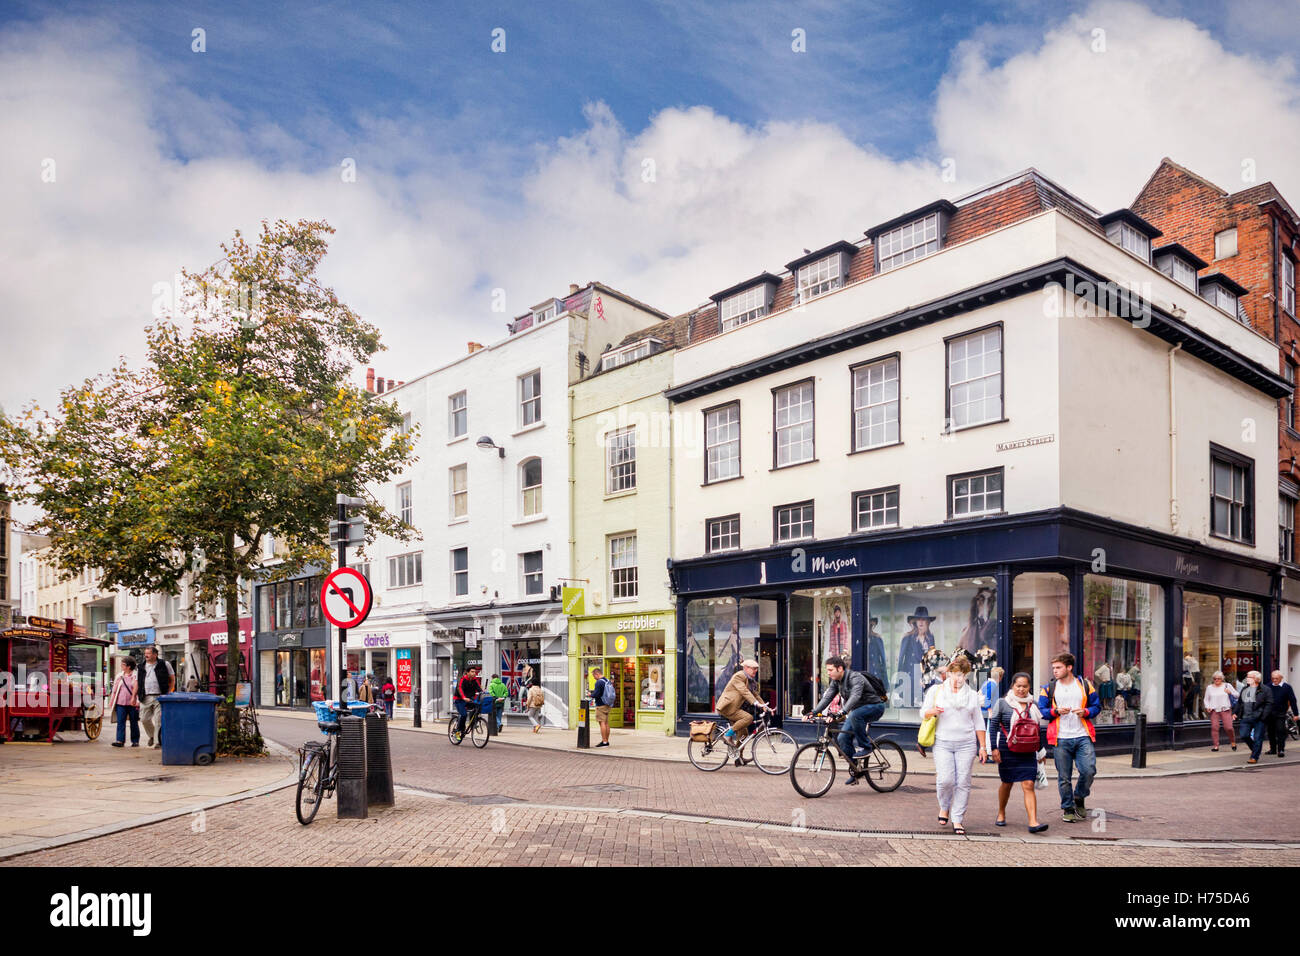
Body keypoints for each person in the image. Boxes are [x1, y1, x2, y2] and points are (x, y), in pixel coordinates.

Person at [920, 655, 987, 834]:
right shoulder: (936, 691)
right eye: (955, 674)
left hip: (966, 743)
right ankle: (944, 806)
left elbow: (979, 723)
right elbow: (923, 713)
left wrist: (983, 747)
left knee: (963, 781)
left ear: (967, 676)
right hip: (943, 742)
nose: (958, 679)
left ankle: (958, 818)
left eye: (962, 675)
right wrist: (932, 711)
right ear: (949, 673)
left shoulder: (972, 695)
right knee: (945, 780)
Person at [1037, 652, 1100, 823]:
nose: (1055, 671)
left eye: (1058, 667)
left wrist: (1086, 712)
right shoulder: (1048, 688)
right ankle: (1068, 807)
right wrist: (1055, 712)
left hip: (1082, 735)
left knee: (1089, 771)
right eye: (1053, 668)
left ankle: (1079, 796)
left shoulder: (1086, 685)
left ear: (1069, 667)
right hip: (1060, 738)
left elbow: (1096, 706)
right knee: (1064, 777)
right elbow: (1041, 711)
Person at [807, 655, 886, 784]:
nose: (828, 673)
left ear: (840, 668)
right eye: (827, 670)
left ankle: (866, 747)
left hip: (875, 706)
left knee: (855, 715)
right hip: (857, 711)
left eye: (830, 670)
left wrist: (842, 711)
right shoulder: (836, 682)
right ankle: (856, 770)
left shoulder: (855, 678)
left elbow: (855, 696)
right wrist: (814, 711)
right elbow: (827, 698)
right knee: (842, 738)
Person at [987, 672, 1048, 833]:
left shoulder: (1033, 704)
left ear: (1029, 687)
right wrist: (993, 748)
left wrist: (1041, 751)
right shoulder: (1002, 703)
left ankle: (1033, 822)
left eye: (1025, 686)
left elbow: (1037, 729)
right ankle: (1001, 812)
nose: (1021, 689)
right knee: (1007, 783)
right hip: (1007, 748)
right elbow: (993, 726)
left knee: (1028, 784)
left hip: (1028, 750)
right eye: (1018, 686)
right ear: (1012, 686)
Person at [717, 658, 769, 746]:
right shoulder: (739, 676)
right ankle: (728, 735)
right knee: (748, 718)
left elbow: (755, 694)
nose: (756, 670)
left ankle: (738, 757)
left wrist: (764, 705)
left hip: (736, 708)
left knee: (744, 734)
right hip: (728, 707)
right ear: (746, 668)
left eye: (756, 668)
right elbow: (744, 691)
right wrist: (756, 703)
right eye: (753, 668)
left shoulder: (750, 680)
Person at [897, 607, 937, 707]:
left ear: (928, 622)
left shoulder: (930, 638)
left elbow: (932, 661)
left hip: (925, 679)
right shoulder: (907, 637)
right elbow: (901, 661)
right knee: (910, 708)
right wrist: (899, 683)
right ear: (915, 621)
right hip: (910, 679)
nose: (921, 622)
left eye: (923, 619)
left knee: (926, 707)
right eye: (918, 619)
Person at [138, 646, 174, 749]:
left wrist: (168, 692)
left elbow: (172, 679)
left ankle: (158, 742)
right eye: (145, 653)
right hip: (145, 696)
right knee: (144, 719)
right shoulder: (141, 666)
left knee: (158, 720)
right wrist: (134, 696)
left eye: (148, 653)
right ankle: (153, 736)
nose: (146, 655)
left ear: (155, 654)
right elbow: (138, 682)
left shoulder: (164, 664)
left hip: (160, 696)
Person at [1234, 670, 1273, 764]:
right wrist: (1235, 712)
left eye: (1249, 677)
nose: (1247, 678)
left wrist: (1263, 716)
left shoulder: (1265, 689)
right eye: (1247, 676)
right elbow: (1239, 703)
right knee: (1244, 735)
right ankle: (1255, 749)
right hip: (1245, 717)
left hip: (1259, 718)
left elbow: (1269, 703)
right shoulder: (1244, 689)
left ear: (1256, 679)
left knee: (1258, 737)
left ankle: (1254, 757)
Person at [109, 658, 140, 748]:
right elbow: (115, 689)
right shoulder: (119, 676)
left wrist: (137, 700)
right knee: (120, 722)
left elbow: (137, 688)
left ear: (128, 666)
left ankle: (135, 741)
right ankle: (120, 740)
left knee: (134, 722)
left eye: (123, 664)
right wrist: (112, 701)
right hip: (120, 703)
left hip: (132, 703)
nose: (121, 666)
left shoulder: (136, 676)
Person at [1202, 671, 1236, 752]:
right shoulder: (1209, 687)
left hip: (1225, 709)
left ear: (1222, 679)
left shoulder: (1227, 686)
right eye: (1215, 679)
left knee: (1229, 727)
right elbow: (1206, 699)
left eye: (1218, 679)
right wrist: (1207, 707)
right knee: (1214, 727)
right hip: (1214, 710)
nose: (1216, 680)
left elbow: (1237, 695)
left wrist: (1230, 692)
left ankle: (1233, 742)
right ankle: (1216, 746)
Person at [1266, 670, 1296, 758]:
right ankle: (1273, 749)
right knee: (1270, 732)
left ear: (1281, 678)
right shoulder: (1268, 687)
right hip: (1269, 713)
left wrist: (1296, 713)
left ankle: (1281, 749)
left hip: (1281, 713)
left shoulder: (1287, 687)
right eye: (1273, 678)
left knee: (1280, 731)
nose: (1274, 680)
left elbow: (1293, 700)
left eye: (1276, 678)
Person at [453, 665, 482, 737]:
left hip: (469, 700)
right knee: (464, 715)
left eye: (475, 672)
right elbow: (459, 688)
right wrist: (463, 697)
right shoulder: (462, 679)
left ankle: (472, 724)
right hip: (459, 700)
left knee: (477, 708)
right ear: (467, 672)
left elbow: (480, 689)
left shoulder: (475, 680)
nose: (474, 673)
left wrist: (485, 694)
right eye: (472, 672)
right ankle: (458, 732)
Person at [590, 667, 613, 747]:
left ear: (597, 674)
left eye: (594, 676)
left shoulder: (599, 682)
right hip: (607, 704)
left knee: (602, 723)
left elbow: (596, 694)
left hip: (600, 705)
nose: (594, 677)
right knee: (606, 723)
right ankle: (606, 740)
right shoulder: (607, 680)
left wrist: (591, 694)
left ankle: (604, 741)